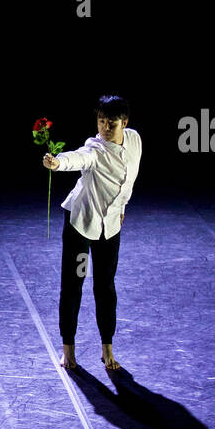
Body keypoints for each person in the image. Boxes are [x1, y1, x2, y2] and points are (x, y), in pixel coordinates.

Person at [42, 95, 141, 371]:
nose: (105, 128)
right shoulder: (95, 149)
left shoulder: (135, 140)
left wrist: (122, 206)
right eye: (101, 121)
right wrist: (57, 163)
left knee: (105, 286)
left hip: (110, 226)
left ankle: (107, 349)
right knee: (74, 285)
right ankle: (68, 350)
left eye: (111, 123)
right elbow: (78, 157)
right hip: (81, 225)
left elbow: (129, 179)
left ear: (124, 123)